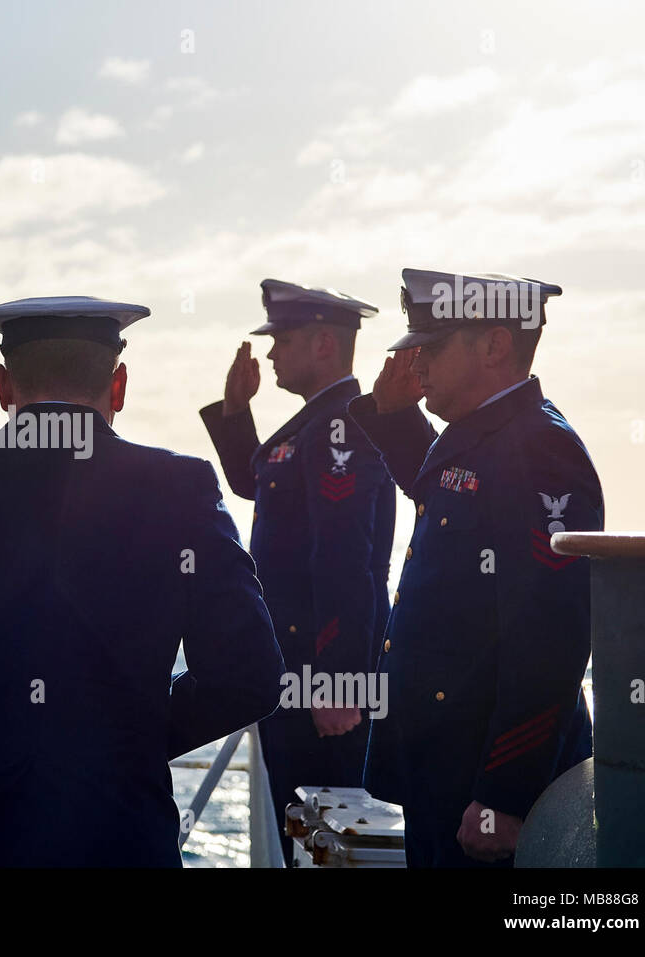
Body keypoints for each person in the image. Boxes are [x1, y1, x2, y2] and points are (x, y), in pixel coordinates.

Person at [0, 296, 286, 867]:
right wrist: (124, 731)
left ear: (3, 386)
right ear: (119, 386)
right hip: (119, 836)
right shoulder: (181, 487)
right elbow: (251, 676)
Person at [348, 268, 602, 867]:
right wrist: (389, 414)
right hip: (445, 769)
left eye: (432, 346)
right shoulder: (482, 437)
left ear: (494, 345)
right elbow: (448, 499)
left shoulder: (541, 450)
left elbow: (550, 634)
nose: (417, 361)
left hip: (484, 783)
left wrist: (505, 797)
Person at [199, 279, 395, 863]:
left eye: (282, 340)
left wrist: (337, 679)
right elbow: (265, 490)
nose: (271, 353)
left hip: (324, 677)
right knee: (304, 837)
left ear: (324, 346)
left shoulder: (342, 428)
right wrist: (237, 415)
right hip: (300, 669)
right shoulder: (316, 425)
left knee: (333, 840)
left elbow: (342, 557)